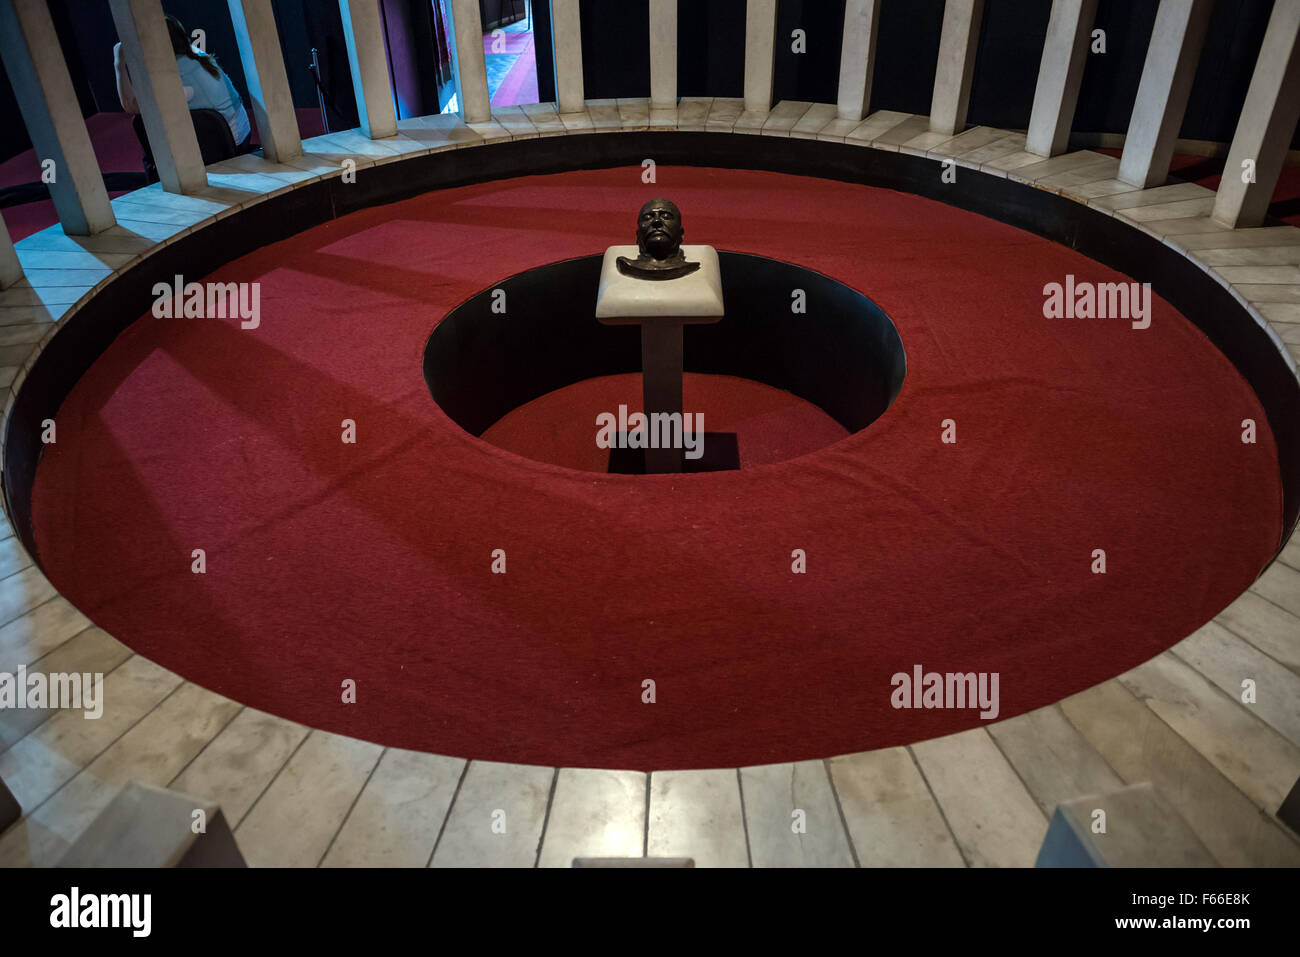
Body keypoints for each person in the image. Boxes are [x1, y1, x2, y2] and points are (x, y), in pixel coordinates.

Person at [115, 14, 252, 183]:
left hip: (226, 148)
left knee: (144, 124)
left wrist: (119, 62)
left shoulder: (177, 74)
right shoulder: (195, 55)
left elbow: (131, 106)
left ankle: (160, 184)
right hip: (240, 137)